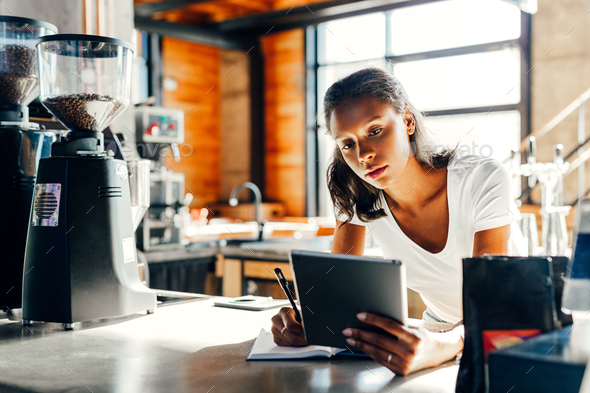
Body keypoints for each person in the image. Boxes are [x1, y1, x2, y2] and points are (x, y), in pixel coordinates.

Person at [271, 67, 525, 376]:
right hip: (441, 327)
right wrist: (306, 319)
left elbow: (492, 302)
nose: (363, 155)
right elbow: (334, 295)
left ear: (407, 121)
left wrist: (443, 345)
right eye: (348, 144)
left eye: (374, 130)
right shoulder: (355, 195)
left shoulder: (481, 178)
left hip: (517, 322)